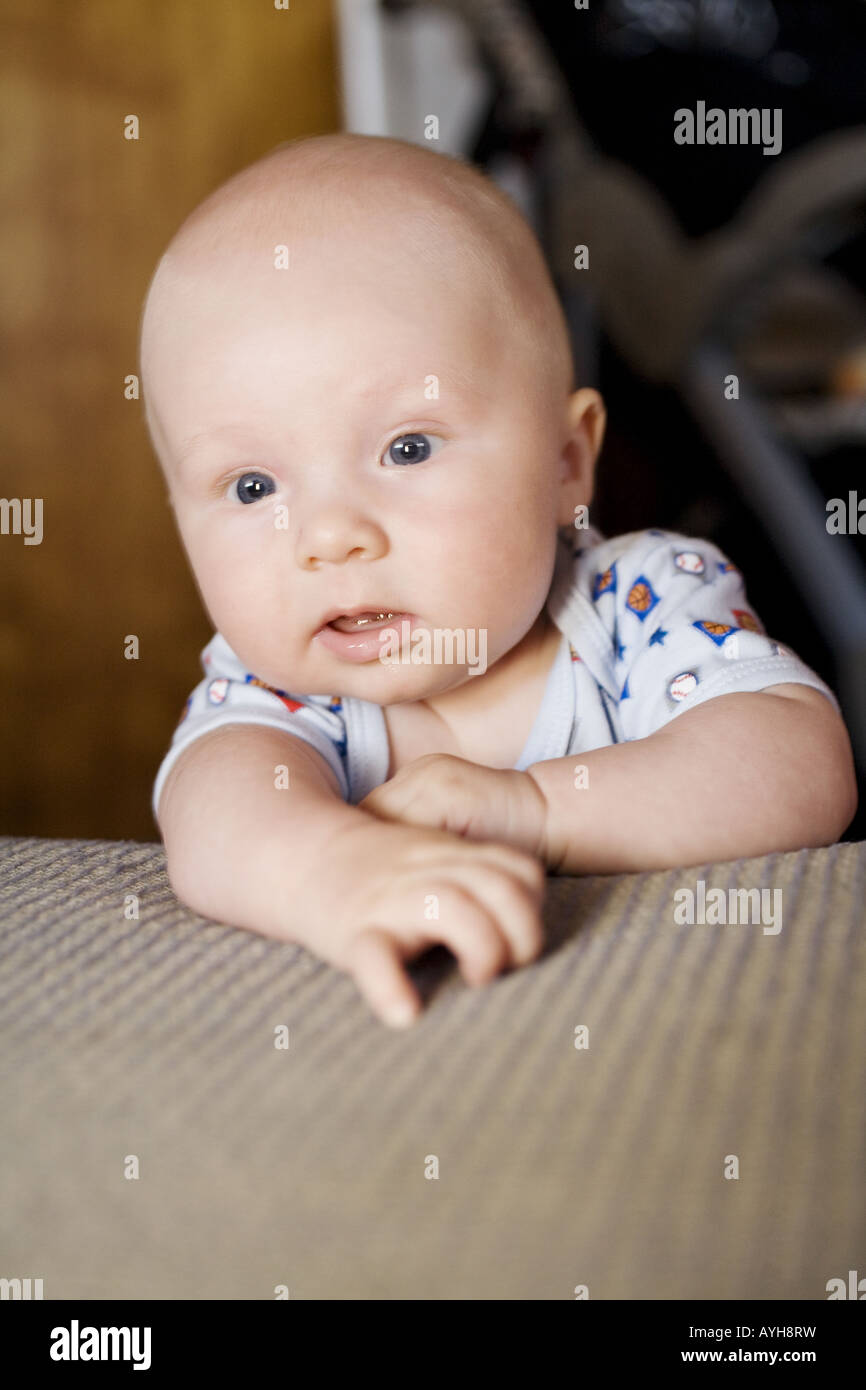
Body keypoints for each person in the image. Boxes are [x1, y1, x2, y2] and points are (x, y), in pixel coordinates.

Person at [139, 133, 857, 1028]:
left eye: (406, 447)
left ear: (566, 463)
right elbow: (213, 816)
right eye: (252, 487)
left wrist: (534, 811)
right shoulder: (277, 686)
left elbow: (799, 768)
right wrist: (333, 872)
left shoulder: (635, 601)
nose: (327, 536)